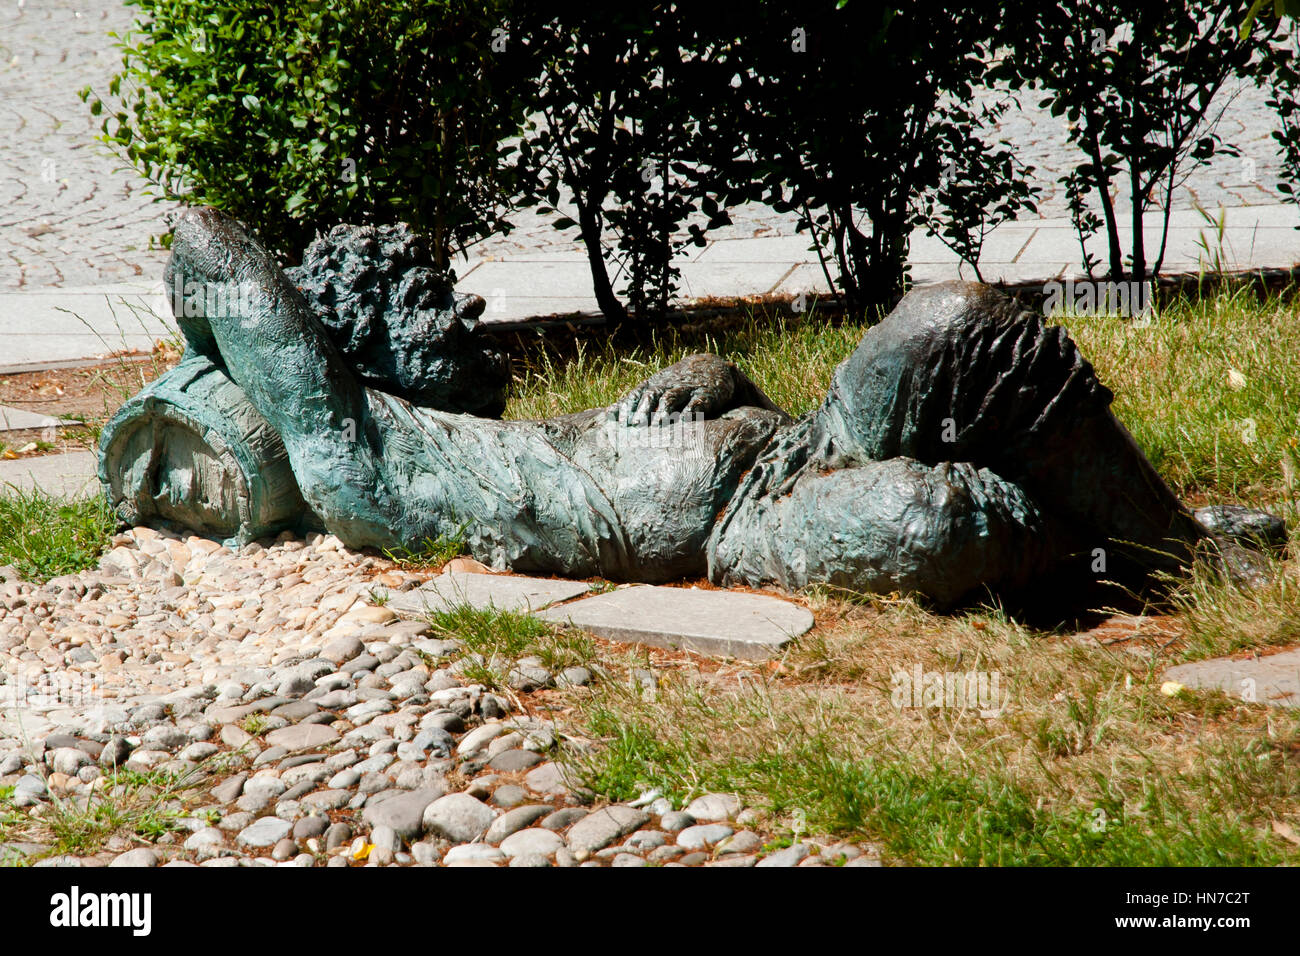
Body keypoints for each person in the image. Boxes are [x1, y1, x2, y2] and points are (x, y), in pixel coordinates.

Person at [165, 207, 1244, 607]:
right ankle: (1115, 549)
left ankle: (1173, 544)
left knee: (955, 314)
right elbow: (203, 245)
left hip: (805, 438)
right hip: (745, 534)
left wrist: (718, 378)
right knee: (932, 518)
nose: (469, 317)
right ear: (349, 350)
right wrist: (205, 360)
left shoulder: (498, 437)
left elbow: (713, 411)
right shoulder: (366, 463)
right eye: (431, 310)